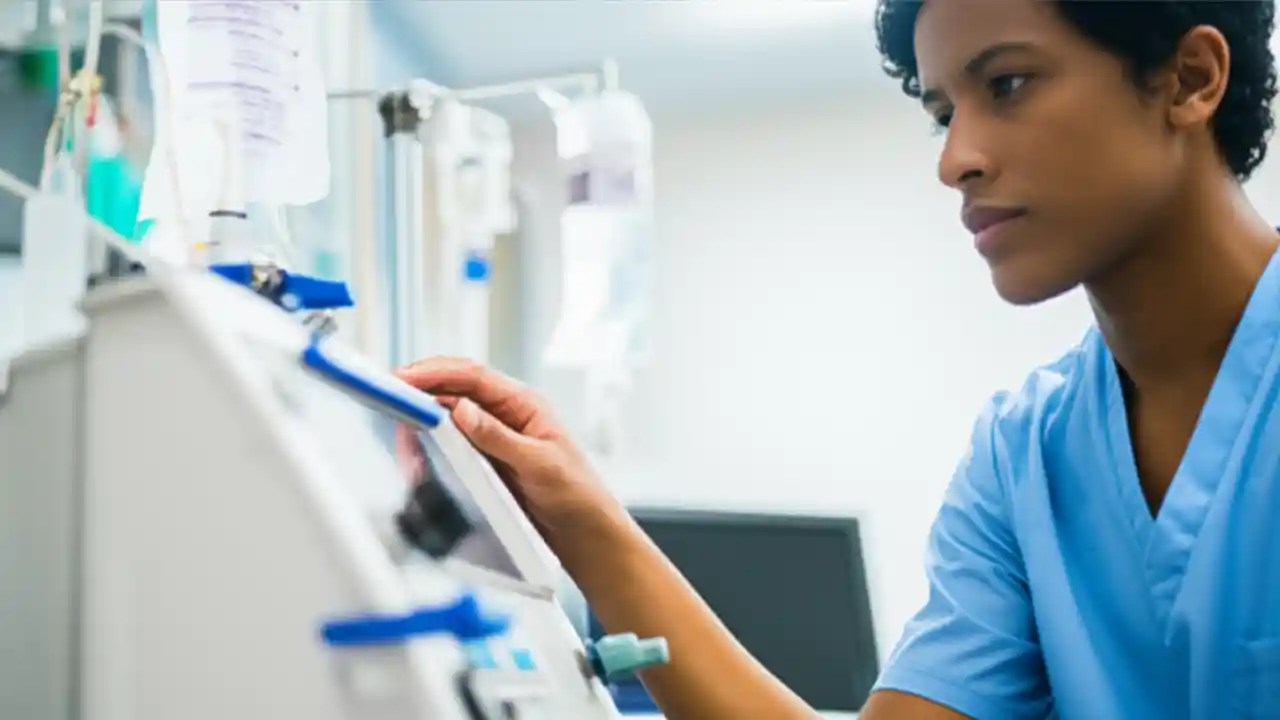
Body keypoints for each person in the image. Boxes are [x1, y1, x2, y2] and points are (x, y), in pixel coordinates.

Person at [398, 0, 1280, 717]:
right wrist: (580, 517)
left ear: (1188, 79)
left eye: (1008, 84)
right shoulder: (1026, 457)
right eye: (943, 113)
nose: (956, 159)